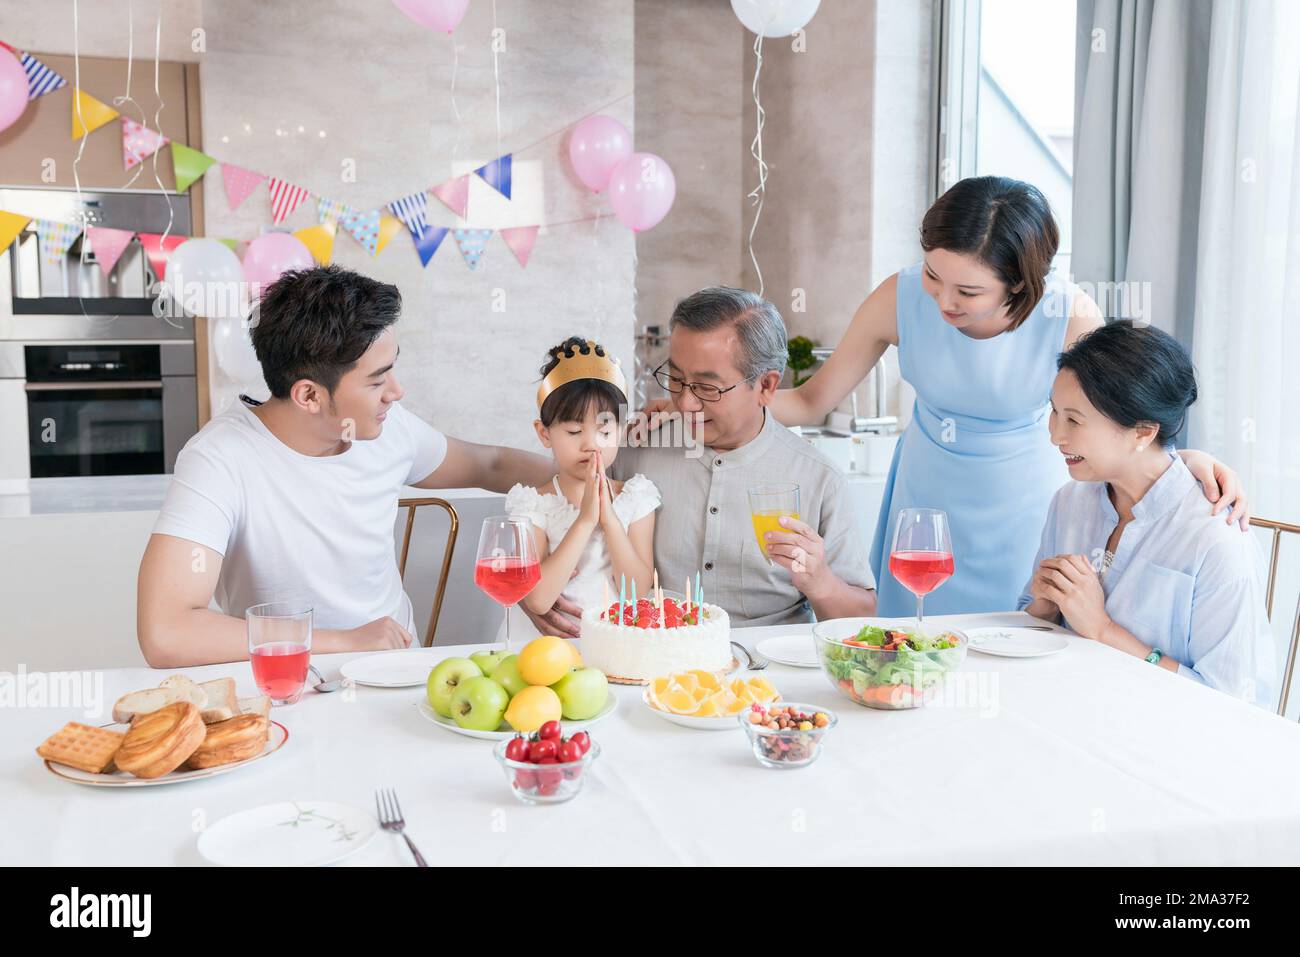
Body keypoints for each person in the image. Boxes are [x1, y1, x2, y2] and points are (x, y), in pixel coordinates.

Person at [638, 177, 1250, 616]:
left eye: (969, 290)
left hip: (1023, 503)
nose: (944, 301)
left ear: (1021, 285)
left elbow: (1121, 414)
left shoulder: (1067, 312)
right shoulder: (899, 296)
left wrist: (1187, 458)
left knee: (1010, 644)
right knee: (911, 648)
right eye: (933, 273)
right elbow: (809, 402)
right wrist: (703, 399)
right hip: (925, 499)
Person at [137, 265, 555, 668]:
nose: (396, 391)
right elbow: (166, 631)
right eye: (377, 380)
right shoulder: (219, 458)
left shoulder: (387, 429)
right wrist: (343, 642)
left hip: (396, 671)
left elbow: (491, 464)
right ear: (309, 396)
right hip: (290, 680)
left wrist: (594, 482)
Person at [525, 286, 877, 636]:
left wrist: (820, 582)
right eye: (676, 379)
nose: (686, 403)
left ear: (767, 386)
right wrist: (530, 598)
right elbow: (551, 506)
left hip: (768, 668)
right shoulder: (634, 447)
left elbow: (862, 619)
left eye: (708, 388)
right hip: (655, 657)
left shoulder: (818, 478)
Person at [1020, 321, 1275, 707]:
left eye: (1074, 420)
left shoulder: (1216, 538)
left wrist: (1104, 630)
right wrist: (1045, 604)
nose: (1055, 434)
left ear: (1142, 432)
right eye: (1054, 413)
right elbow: (1032, 622)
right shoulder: (1069, 503)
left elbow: (1233, 703)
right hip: (1068, 708)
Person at [503, 337, 659, 639]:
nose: (590, 444)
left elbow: (637, 593)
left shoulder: (636, 496)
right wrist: (586, 520)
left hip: (616, 642)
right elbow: (537, 599)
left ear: (621, 431)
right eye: (574, 431)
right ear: (544, 433)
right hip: (548, 649)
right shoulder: (533, 504)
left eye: (604, 430)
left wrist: (609, 519)